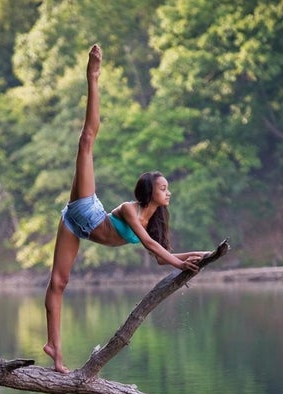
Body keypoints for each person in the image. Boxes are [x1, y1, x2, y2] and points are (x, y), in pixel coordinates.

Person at [43, 44, 209, 373]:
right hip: (85, 209)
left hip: (76, 227)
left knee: (60, 283)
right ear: (149, 191)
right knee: (87, 140)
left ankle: (56, 352)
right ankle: (93, 75)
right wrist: (181, 262)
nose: (168, 192)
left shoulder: (154, 220)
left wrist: (199, 257)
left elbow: (161, 256)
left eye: (168, 188)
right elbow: (149, 246)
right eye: (163, 188)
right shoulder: (130, 211)